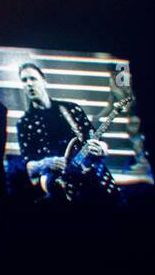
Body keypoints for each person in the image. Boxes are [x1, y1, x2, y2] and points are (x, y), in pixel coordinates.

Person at [15, 62, 119, 204]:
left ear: (44, 81)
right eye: (24, 80)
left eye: (33, 79)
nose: (29, 84)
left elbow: (95, 137)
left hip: (93, 181)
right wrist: (46, 163)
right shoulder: (24, 123)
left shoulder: (71, 109)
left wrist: (101, 148)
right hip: (61, 189)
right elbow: (27, 165)